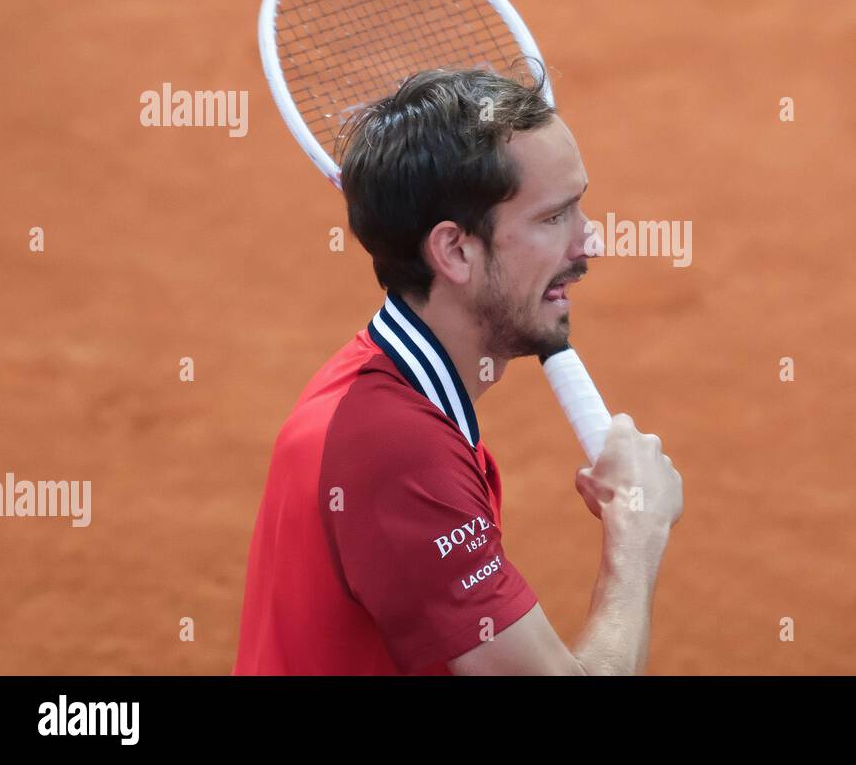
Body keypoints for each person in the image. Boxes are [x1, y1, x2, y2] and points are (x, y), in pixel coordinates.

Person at [233, 68, 682, 675]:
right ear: (455, 251)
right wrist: (637, 532)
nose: (589, 243)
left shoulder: (381, 391)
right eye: (555, 218)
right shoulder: (394, 450)